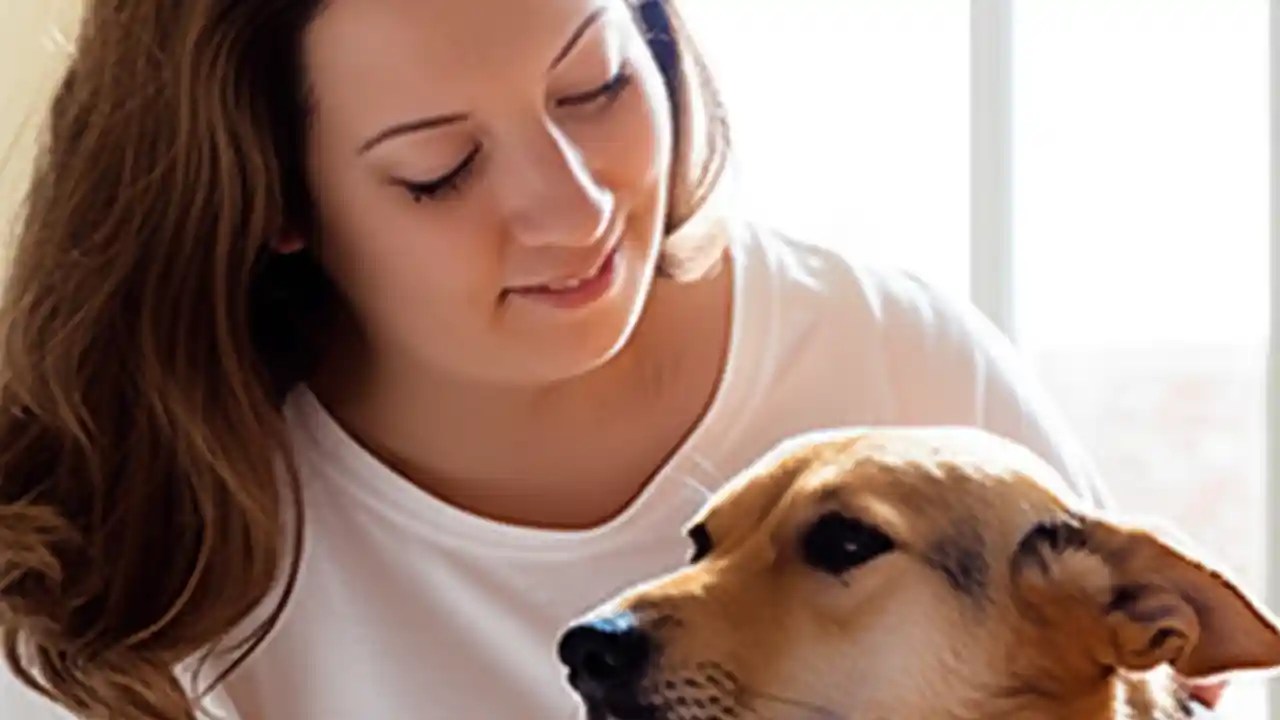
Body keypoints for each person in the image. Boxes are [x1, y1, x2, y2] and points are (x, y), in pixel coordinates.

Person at [0, 0, 1226, 717]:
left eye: (590, 84)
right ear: (273, 199)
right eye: (441, 168)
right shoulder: (129, 551)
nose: (574, 207)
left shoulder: (897, 364)